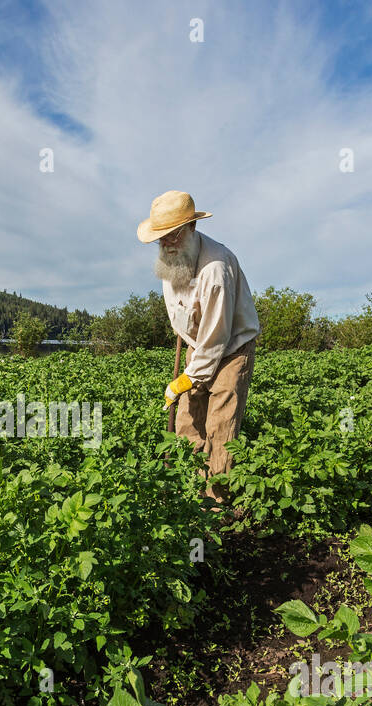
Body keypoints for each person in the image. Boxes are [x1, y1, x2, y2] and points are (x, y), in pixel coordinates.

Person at [138, 190, 260, 504]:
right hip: (198, 344)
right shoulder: (171, 262)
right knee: (187, 420)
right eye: (161, 238)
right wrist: (189, 376)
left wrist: (186, 379)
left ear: (192, 228)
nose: (166, 244)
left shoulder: (215, 270)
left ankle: (213, 502)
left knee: (220, 428)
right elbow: (184, 318)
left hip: (232, 349)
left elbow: (216, 337)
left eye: (173, 236)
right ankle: (185, 492)